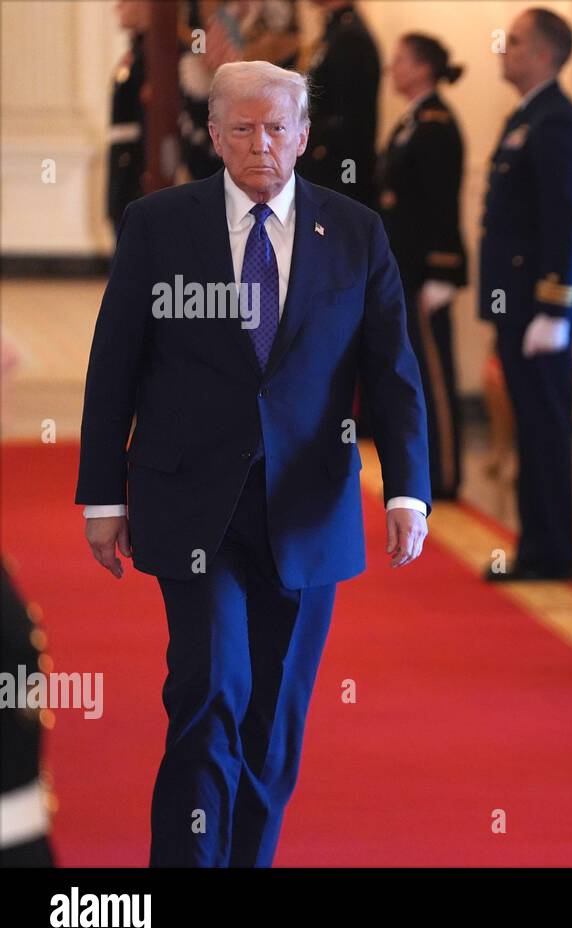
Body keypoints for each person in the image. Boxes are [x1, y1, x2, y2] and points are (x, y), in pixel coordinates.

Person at [75, 60, 431, 866]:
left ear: (304, 136)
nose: (261, 144)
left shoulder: (355, 232)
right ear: (215, 135)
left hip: (306, 510)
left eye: (277, 128)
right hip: (190, 502)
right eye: (242, 128)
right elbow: (114, 363)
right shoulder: (159, 224)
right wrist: (103, 493)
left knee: (273, 719)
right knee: (207, 693)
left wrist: (409, 488)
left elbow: (393, 372)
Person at [479, 8, 572, 582]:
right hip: (520, 301)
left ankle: (551, 553)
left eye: (517, 41)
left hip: (539, 305)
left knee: (545, 428)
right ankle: (537, 544)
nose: (505, 47)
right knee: (531, 424)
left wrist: (553, 305)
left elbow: (562, 222)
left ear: (545, 55)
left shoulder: (558, 124)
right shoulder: (527, 117)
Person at [378, 33, 468, 500]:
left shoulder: (435, 124)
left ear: (422, 68)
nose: (392, 70)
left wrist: (443, 271)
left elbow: (440, 203)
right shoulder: (412, 121)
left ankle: (446, 472)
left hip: (425, 273)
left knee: (434, 374)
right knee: (415, 375)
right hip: (406, 269)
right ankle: (428, 470)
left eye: (400, 62)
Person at [296, 0, 379, 209]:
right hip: (322, 166)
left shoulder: (350, 37)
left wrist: (346, 182)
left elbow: (352, 121)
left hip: (336, 169)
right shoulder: (334, 33)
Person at [107, 0, 150, 237]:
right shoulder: (135, 53)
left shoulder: (154, 55)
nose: (118, 8)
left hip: (136, 169)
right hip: (123, 167)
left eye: (125, 2)